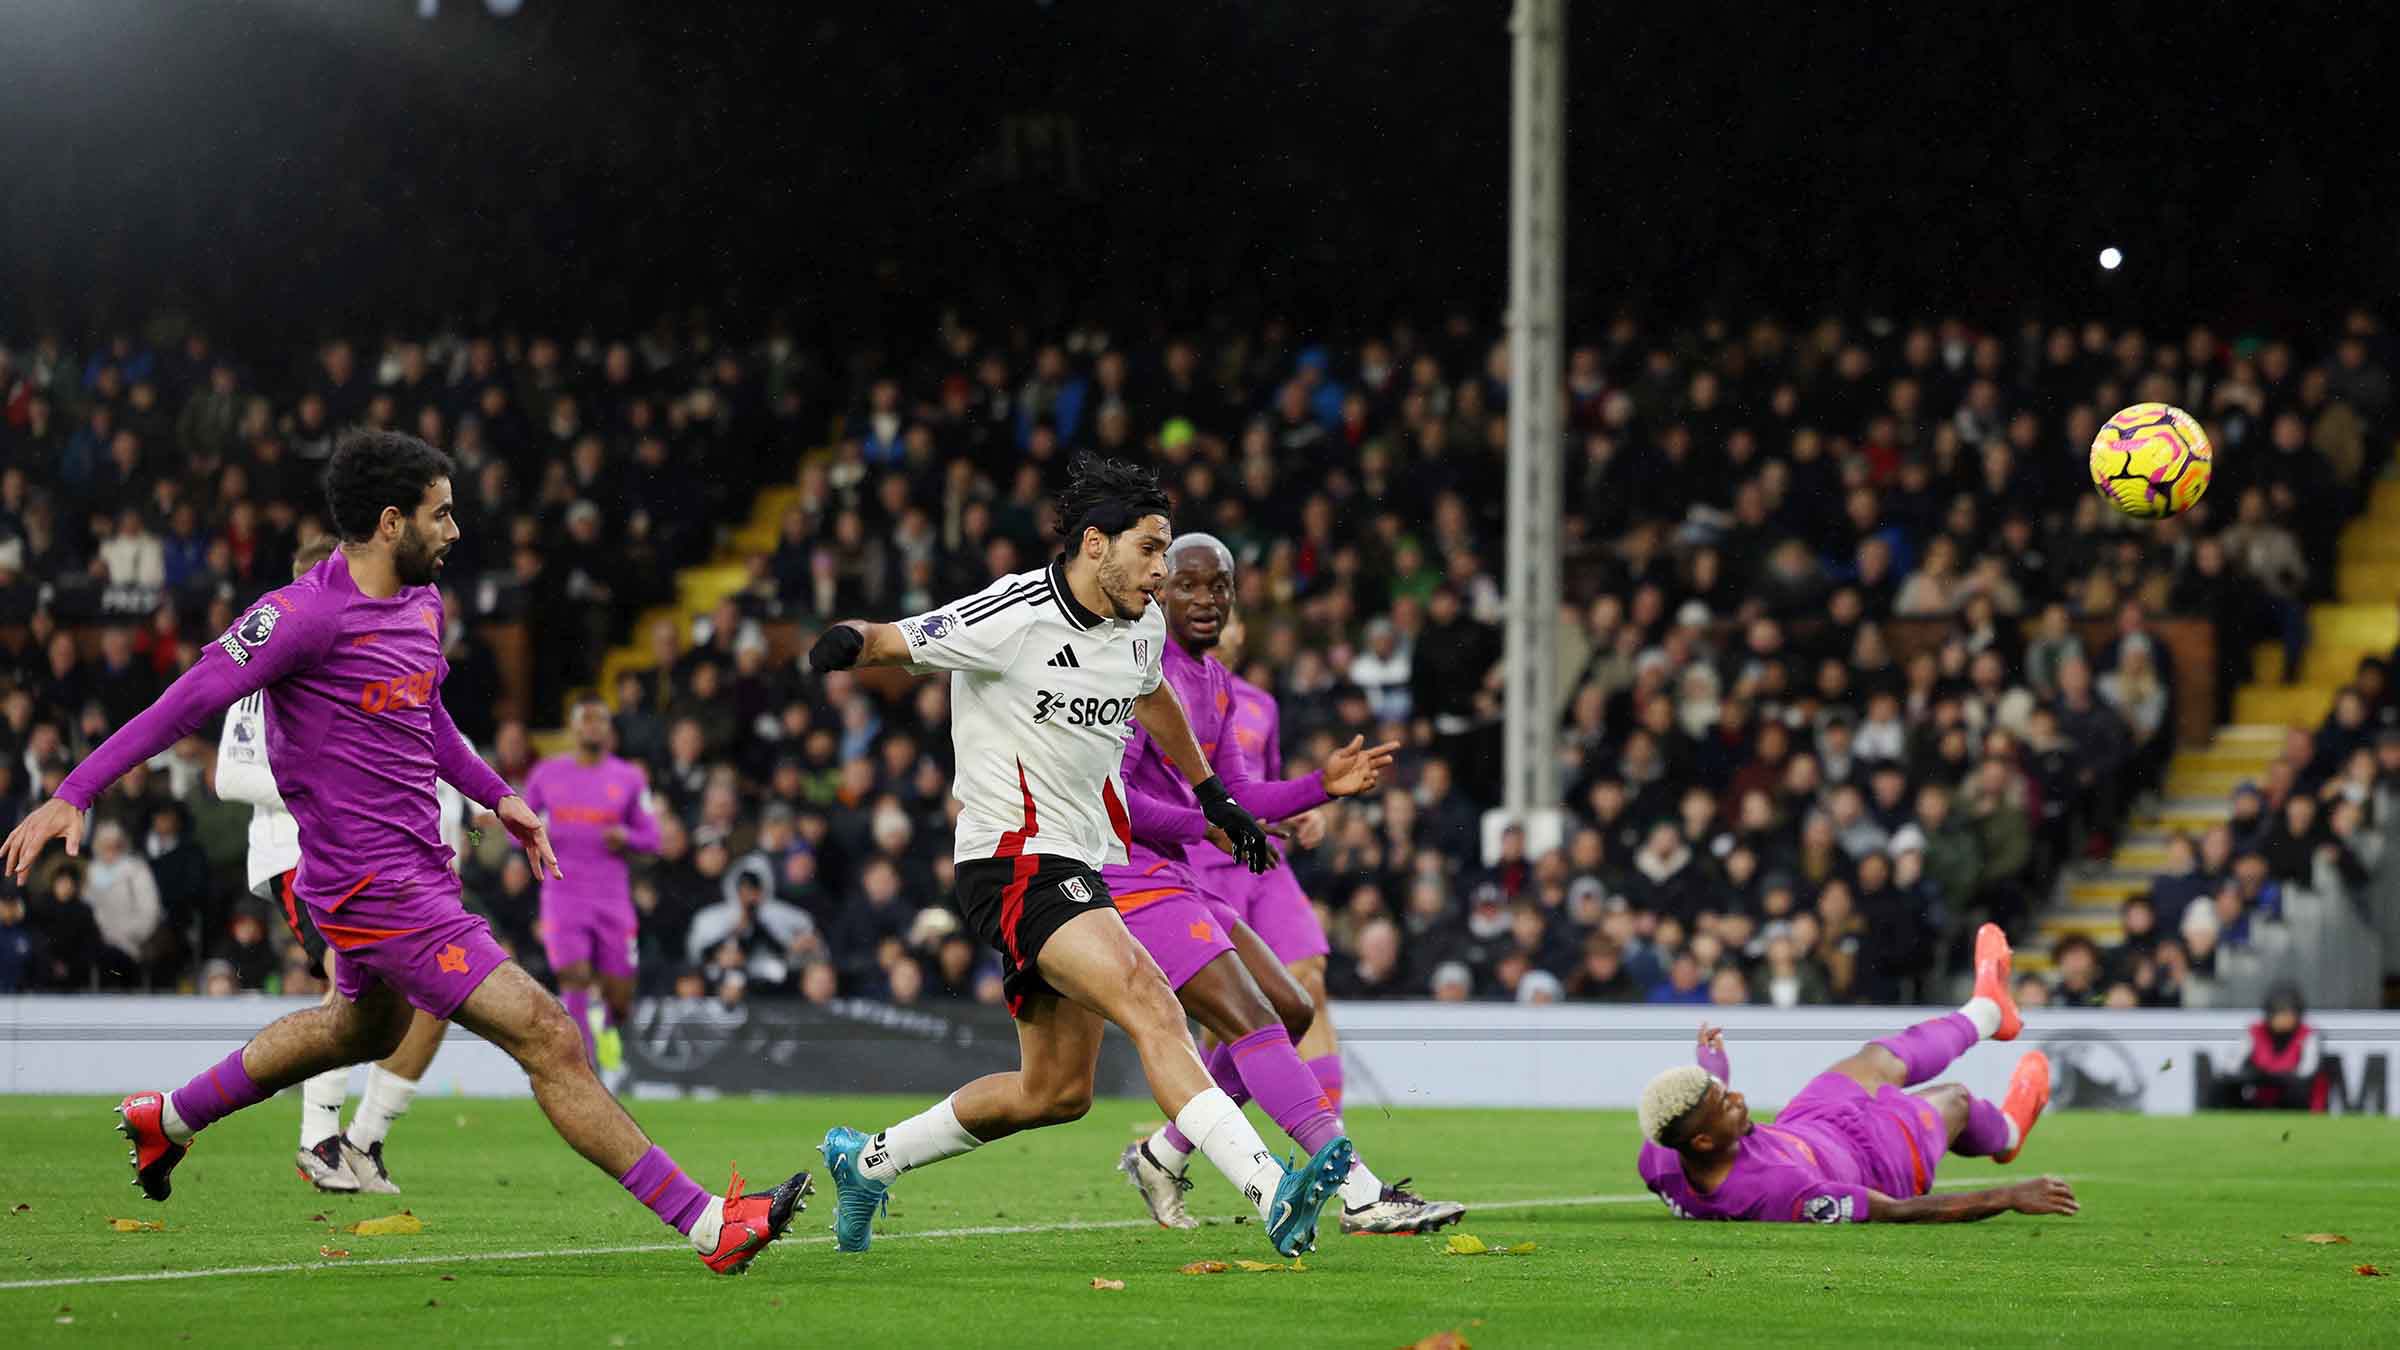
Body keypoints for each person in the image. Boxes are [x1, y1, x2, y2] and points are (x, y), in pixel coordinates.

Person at [2, 431, 810, 1275]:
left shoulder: (423, 605)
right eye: (442, 513)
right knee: (547, 1032)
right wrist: (74, 792)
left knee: (356, 1028)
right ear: (392, 523)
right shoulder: (299, 616)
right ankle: (709, 1222)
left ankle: (165, 1120)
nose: (456, 530)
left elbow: (426, 717)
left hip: (414, 870)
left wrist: (499, 795)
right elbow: (189, 698)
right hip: (369, 887)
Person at [805, 455, 1353, 1259]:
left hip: (1079, 866)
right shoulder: (1012, 613)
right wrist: (847, 642)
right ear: (1095, 544)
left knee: (1055, 1092)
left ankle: (868, 1160)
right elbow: (896, 639)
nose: (1163, 570)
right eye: (1152, 549)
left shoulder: (1142, 625)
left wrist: (1211, 795)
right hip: (1013, 861)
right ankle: (1273, 1189)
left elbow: (1152, 696)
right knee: (1151, 1000)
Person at [1109, 534, 1463, 1236]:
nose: (1207, 600)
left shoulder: (1215, 685)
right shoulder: (1139, 672)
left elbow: (1237, 795)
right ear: (1159, 591)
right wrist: (1204, 826)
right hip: (1126, 875)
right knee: (1255, 1021)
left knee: (1292, 1007)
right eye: (1190, 585)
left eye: (1221, 587)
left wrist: (1318, 789)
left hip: (1176, 873)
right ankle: (1360, 1192)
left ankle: (1164, 1152)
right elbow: (1114, 800)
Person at [217, 534, 463, 1194]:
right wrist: (327, 779)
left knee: (438, 992)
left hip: (379, 854)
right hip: (296, 851)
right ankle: (318, 1139)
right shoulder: (270, 658)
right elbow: (228, 776)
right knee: (348, 987)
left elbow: (425, 746)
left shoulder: (381, 652)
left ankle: (366, 1139)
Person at [1634, 924, 2073, 1224]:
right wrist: (2009, 1197)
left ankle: (1988, 1011)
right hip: (1874, 1162)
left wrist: (1713, 1072)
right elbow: (1895, 1212)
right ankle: (2010, 1132)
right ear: (1705, 1142)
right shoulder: (1776, 1190)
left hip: (1805, 1125)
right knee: (1955, 1099)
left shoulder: (1659, 1157)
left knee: (1876, 1060)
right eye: (1726, 1104)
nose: (1739, 1098)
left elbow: (1695, 1115)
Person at [524, 696, 663, 1078]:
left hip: (612, 897)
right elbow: (517, 820)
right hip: (563, 894)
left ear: (609, 729)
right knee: (575, 976)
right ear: (573, 727)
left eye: (600, 720)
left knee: (619, 994)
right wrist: (529, 836)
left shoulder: (629, 778)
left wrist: (627, 837)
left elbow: (653, 838)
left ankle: (608, 1032)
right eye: (585, 719)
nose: (593, 726)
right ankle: (581, 1068)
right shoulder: (545, 775)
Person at [2210, 984, 2322, 1110]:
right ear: (2269, 1013)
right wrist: (2250, 1075)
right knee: (2222, 1085)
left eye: (2289, 1013)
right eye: (2279, 1012)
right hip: (2257, 1084)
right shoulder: (2254, 1031)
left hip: (2290, 1089)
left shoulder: (2307, 1034)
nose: (2284, 1018)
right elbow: (2231, 1066)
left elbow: (2307, 1070)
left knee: (2299, 1090)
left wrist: (2282, 1076)